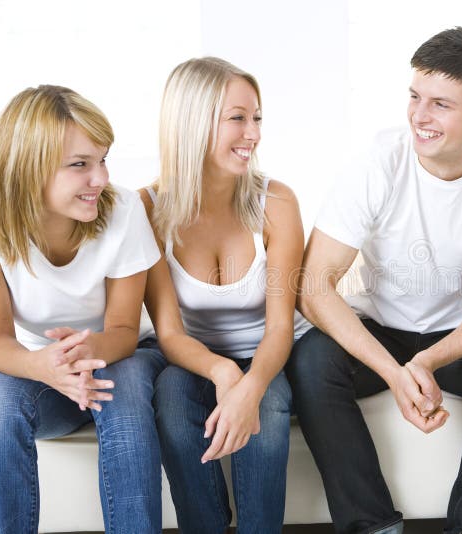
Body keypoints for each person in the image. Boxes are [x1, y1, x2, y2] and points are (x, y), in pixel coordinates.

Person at [286, 27, 462, 534]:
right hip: (380, 327)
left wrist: (427, 360)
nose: (419, 117)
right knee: (313, 359)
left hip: (460, 333)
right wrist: (395, 372)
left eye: (441, 105)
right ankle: (371, 525)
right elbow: (313, 286)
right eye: (414, 96)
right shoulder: (377, 162)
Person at [0, 85, 165, 533]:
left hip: (121, 353)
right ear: (29, 166)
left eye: (103, 160)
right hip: (47, 369)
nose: (101, 178)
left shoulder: (123, 209)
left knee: (122, 387)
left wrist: (85, 352)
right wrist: (46, 366)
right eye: (80, 165)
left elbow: (124, 328)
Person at [142, 57, 309, 534]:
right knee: (172, 398)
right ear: (193, 122)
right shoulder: (148, 210)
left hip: (267, 351)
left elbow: (280, 326)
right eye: (238, 118)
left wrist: (249, 386)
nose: (253, 133)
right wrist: (222, 371)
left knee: (268, 405)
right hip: (193, 356)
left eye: (257, 118)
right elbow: (169, 333)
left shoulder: (276, 202)